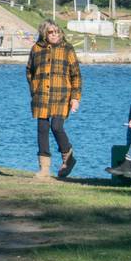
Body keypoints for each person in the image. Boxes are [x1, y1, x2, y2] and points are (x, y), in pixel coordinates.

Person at [26, 20, 82, 179]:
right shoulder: (36, 49)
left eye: (57, 31)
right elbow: (29, 71)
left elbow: (76, 75)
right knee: (42, 128)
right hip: (41, 95)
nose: (55, 34)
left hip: (61, 95)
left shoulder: (67, 49)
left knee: (56, 126)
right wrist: (34, 89)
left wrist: (75, 98)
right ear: (45, 33)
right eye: (51, 32)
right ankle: (44, 168)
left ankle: (68, 157)